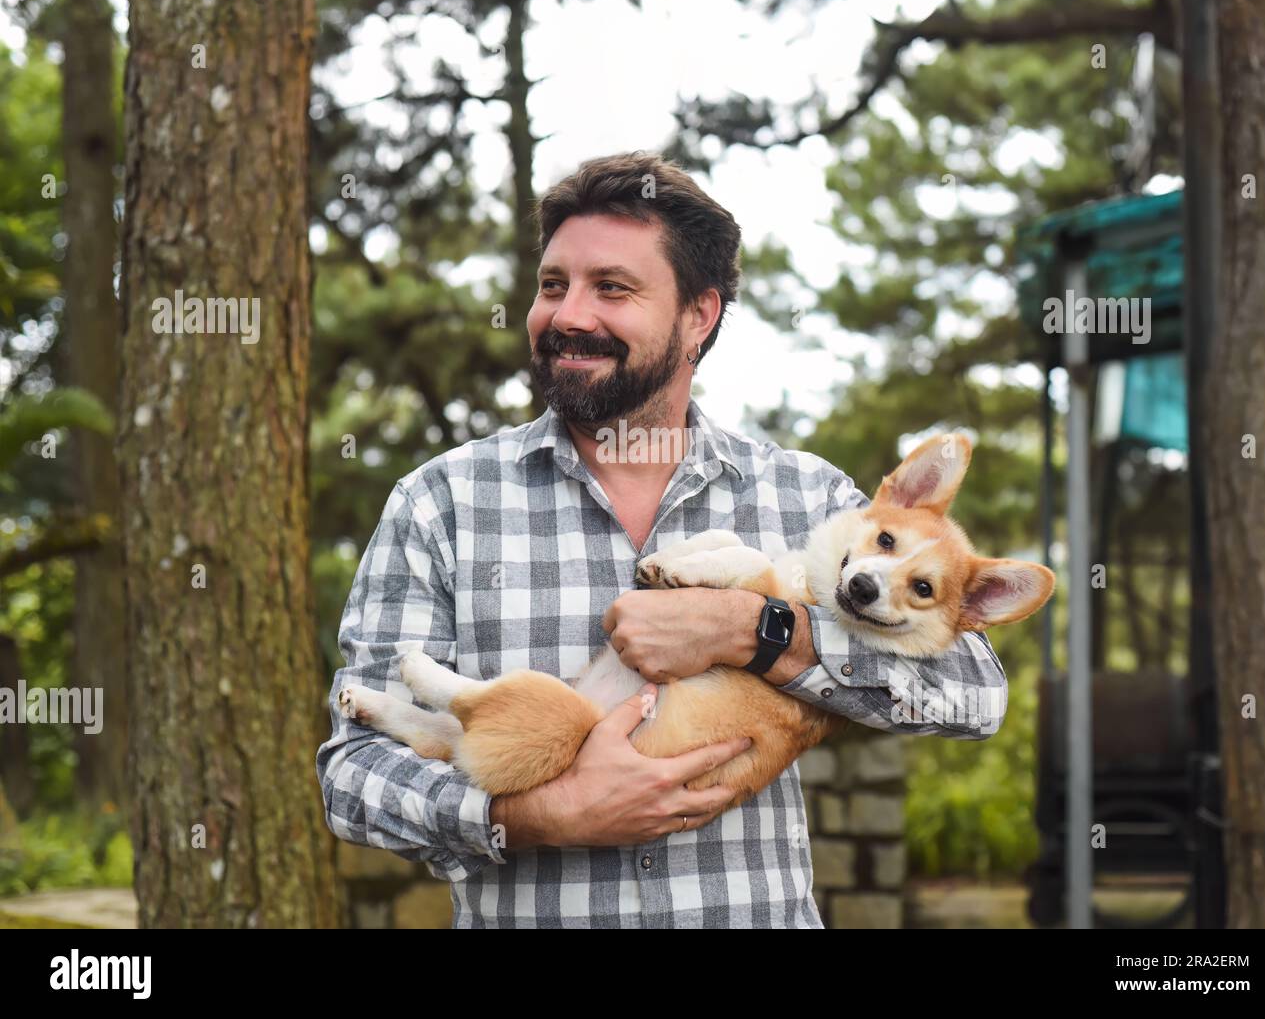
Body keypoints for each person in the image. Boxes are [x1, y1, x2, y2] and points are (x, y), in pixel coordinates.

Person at [315, 151, 1007, 928]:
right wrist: (540, 816)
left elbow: (976, 696)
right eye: (553, 286)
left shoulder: (809, 499)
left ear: (697, 317)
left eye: (612, 287)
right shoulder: (441, 503)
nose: (568, 314)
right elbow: (352, 776)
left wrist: (757, 631)